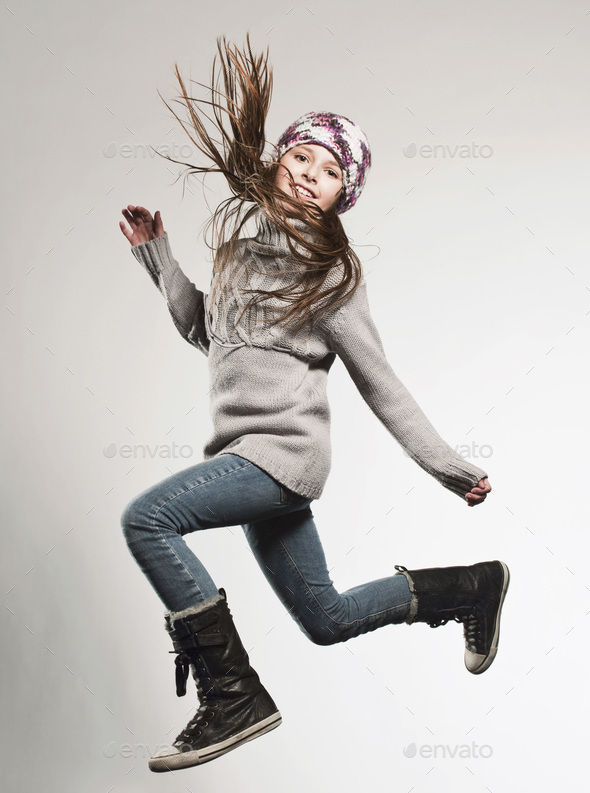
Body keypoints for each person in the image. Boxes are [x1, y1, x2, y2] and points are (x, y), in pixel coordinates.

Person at [118, 35, 509, 774]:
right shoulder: (238, 252)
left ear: (341, 197)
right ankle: (473, 585)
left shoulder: (330, 275)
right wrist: (158, 255)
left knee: (148, 519)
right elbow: (209, 332)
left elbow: (379, 381)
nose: (310, 175)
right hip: (246, 459)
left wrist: (447, 467)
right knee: (325, 618)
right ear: (279, 159)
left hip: (281, 459)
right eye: (303, 157)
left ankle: (233, 697)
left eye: (331, 173)